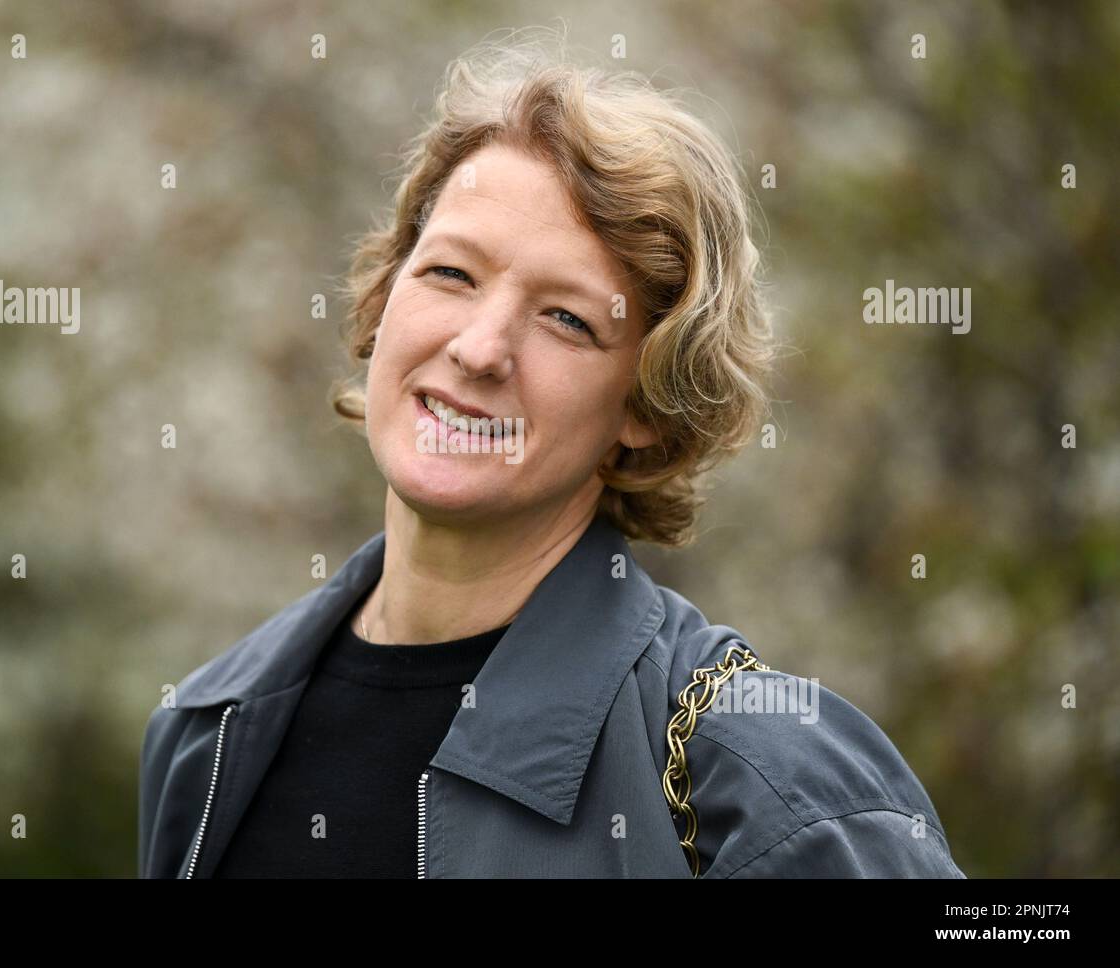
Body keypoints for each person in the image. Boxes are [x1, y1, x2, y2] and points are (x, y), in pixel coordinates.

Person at [138, 30, 965, 879]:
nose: (480, 348)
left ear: (644, 406)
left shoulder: (761, 772)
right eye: (452, 274)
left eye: (567, 319)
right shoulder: (208, 731)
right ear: (387, 295)